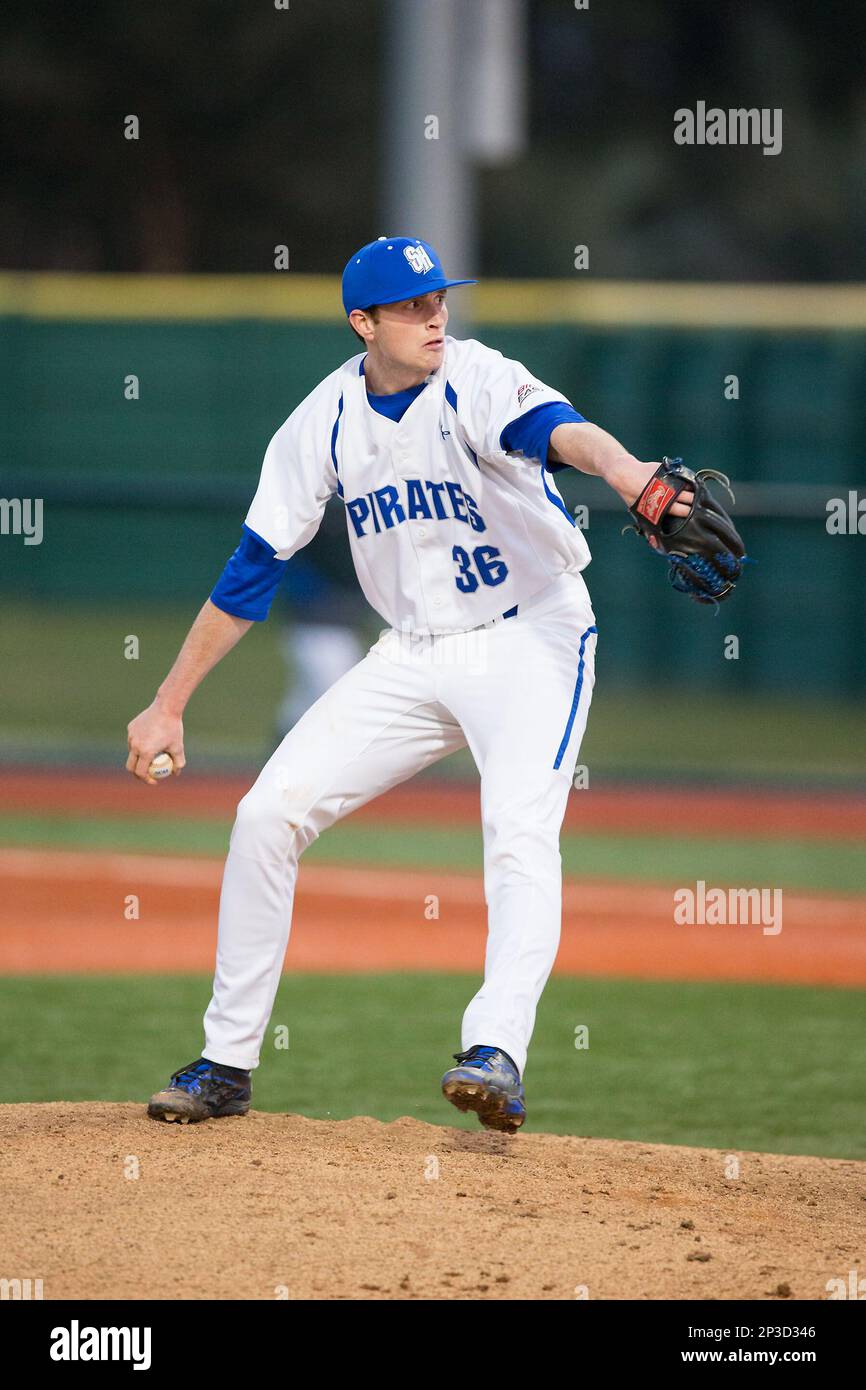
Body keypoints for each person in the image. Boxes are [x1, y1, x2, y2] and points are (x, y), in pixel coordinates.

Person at [128, 235, 692, 1134]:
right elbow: (251, 568)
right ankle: (228, 1063)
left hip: (530, 637)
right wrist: (167, 702)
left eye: (439, 300)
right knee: (264, 815)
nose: (435, 317)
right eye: (411, 307)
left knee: (518, 833)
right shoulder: (322, 420)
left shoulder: (477, 377)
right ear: (364, 324)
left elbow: (558, 432)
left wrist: (628, 474)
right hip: (411, 653)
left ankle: (496, 1050)